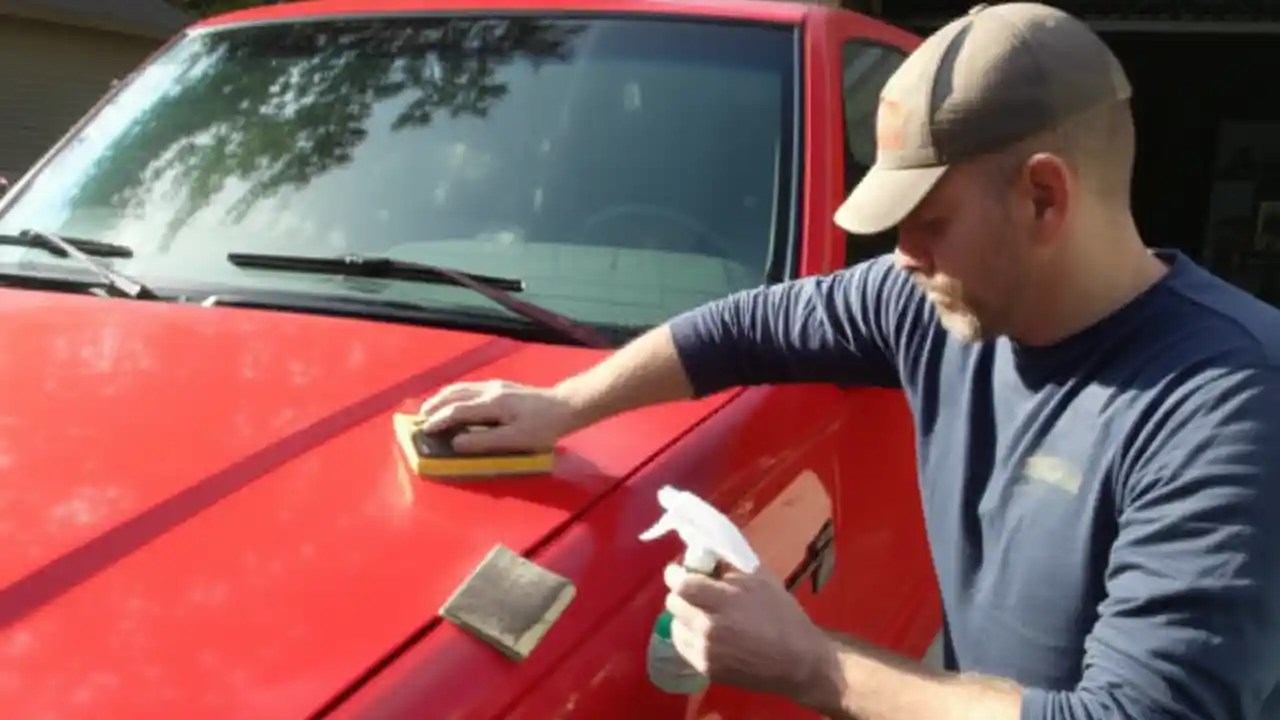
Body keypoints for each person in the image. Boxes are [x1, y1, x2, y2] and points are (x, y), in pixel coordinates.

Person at [417, 3, 1280, 718]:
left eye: (927, 219)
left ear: (1044, 197)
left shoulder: (1227, 403)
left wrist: (811, 664)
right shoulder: (934, 298)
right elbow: (740, 330)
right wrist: (565, 406)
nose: (897, 255)